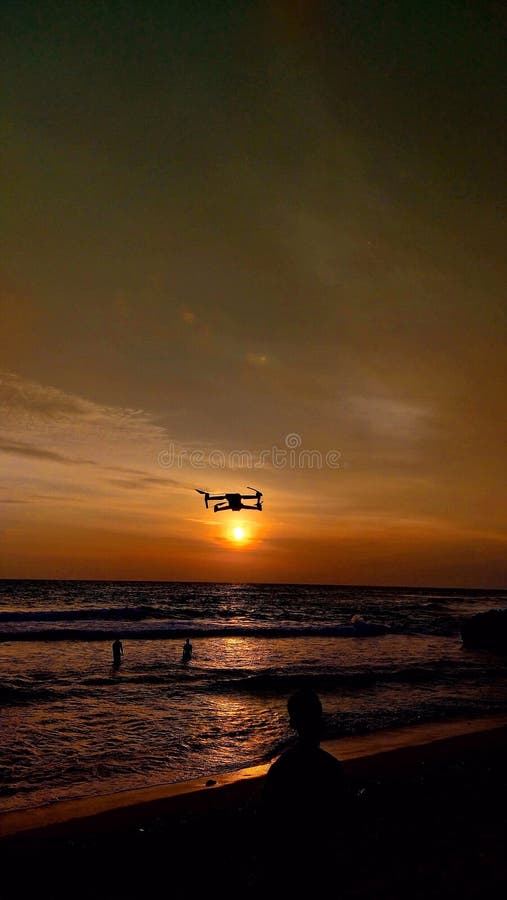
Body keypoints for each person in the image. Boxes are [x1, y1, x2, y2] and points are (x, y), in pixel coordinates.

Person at [262, 689, 346, 889]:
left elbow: (270, 818)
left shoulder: (281, 768)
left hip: (292, 861)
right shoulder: (332, 767)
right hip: (323, 859)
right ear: (321, 721)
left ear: (293, 724)